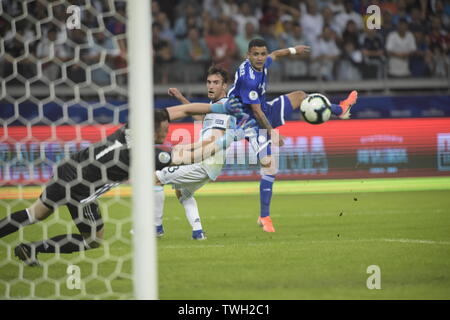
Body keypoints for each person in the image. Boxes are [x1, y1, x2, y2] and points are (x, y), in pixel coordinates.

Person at [0, 100, 244, 266]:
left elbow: (184, 109)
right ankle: (36, 248)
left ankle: (29, 249)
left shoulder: (131, 128)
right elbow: (190, 156)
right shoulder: (145, 154)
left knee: (35, 214)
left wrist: (217, 106)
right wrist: (225, 142)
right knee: (93, 239)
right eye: (163, 130)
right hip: (82, 191)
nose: (167, 132)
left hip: (68, 169)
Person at [227, 38, 358, 233]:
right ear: (248, 55)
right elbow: (256, 113)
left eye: (263, 53)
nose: (261, 57)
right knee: (270, 167)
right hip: (249, 121)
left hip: (263, 109)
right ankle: (264, 217)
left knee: (301, 95)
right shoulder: (249, 79)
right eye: (256, 54)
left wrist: (293, 50)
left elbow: (275, 55)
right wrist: (272, 133)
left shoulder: (262, 63)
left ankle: (341, 109)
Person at [163, 66, 230, 239]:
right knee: (183, 194)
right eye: (209, 82)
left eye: (216, 82)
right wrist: (181, 98)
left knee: (155, 177)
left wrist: (187, 147)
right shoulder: (214, 106)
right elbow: (201, 117)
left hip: (205, 161)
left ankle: (155, 228)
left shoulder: (224, 107)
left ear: (225, 86)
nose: (211, 86)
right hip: (208, 163)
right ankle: (198, 232)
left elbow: (212, 141)